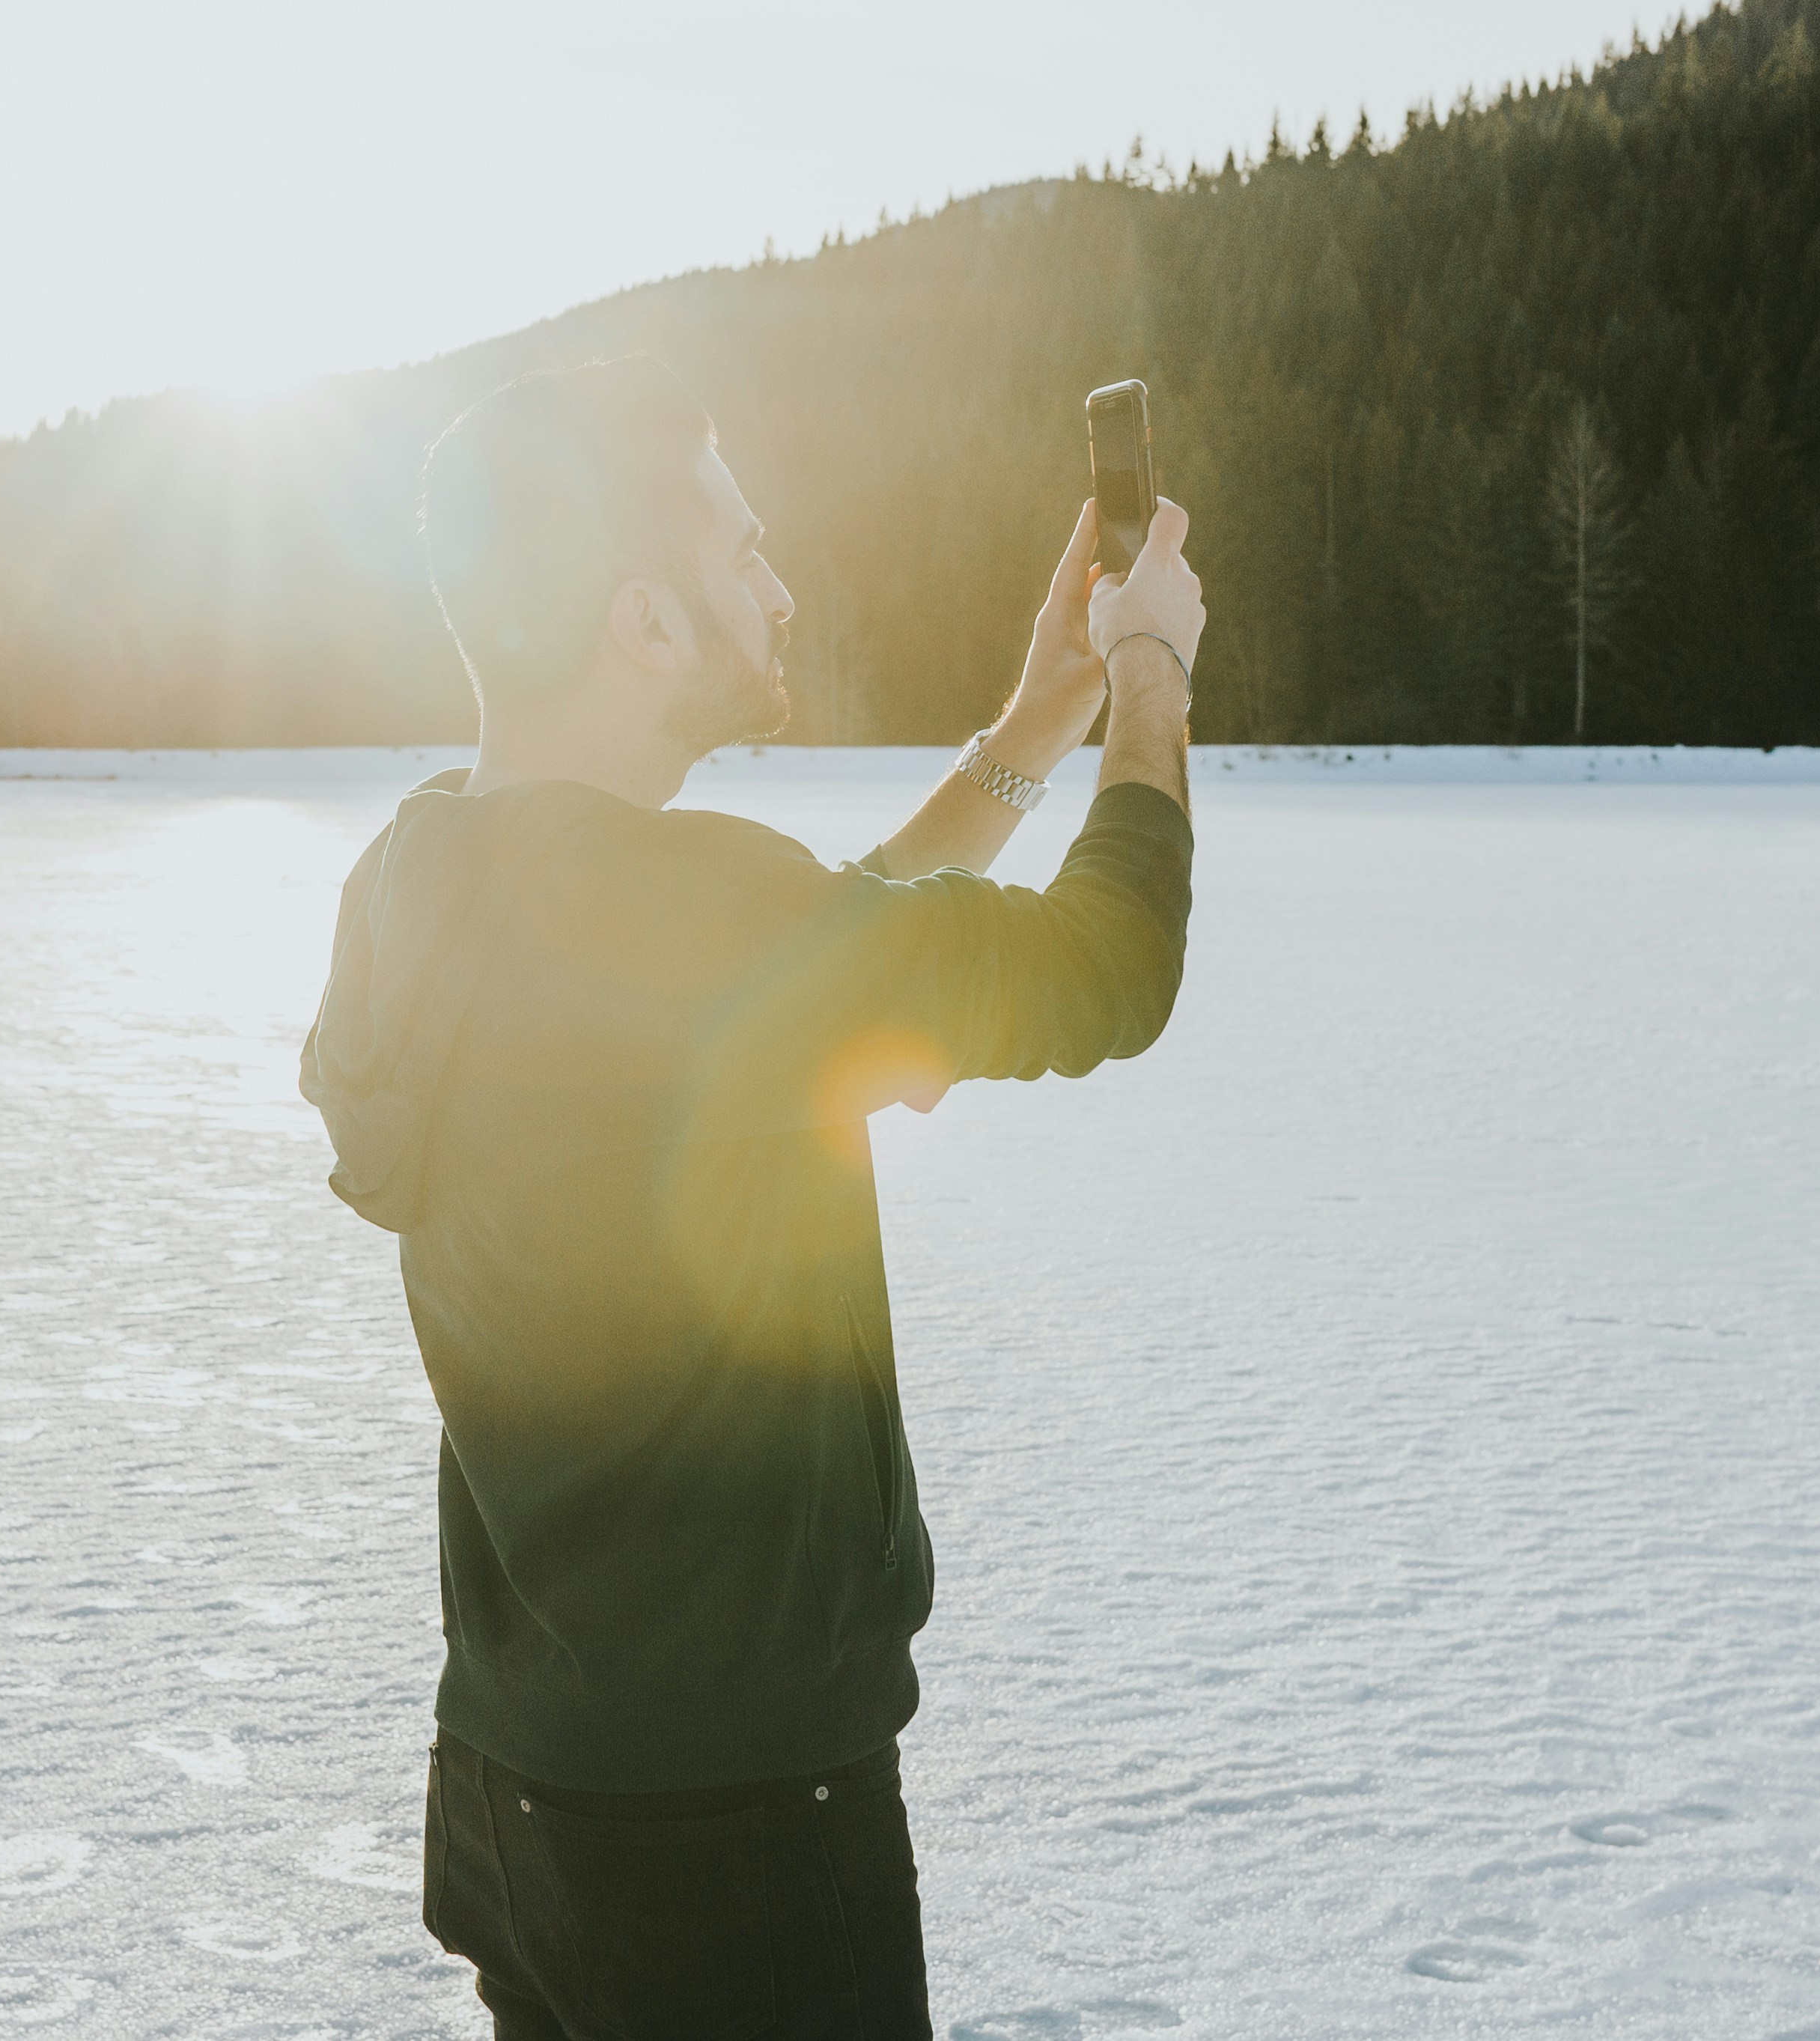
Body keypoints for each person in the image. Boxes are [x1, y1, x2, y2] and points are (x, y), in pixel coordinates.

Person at [302, 354, 1203, 2039]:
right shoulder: (689, 915)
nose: (780, 591)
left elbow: (809, 963)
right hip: (733, 1843)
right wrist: (1147, 673)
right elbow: (1111, 966)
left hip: (525, 1786)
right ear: (641, 621)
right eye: (743, 555)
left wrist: (1028, 726)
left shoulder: (419, 877)